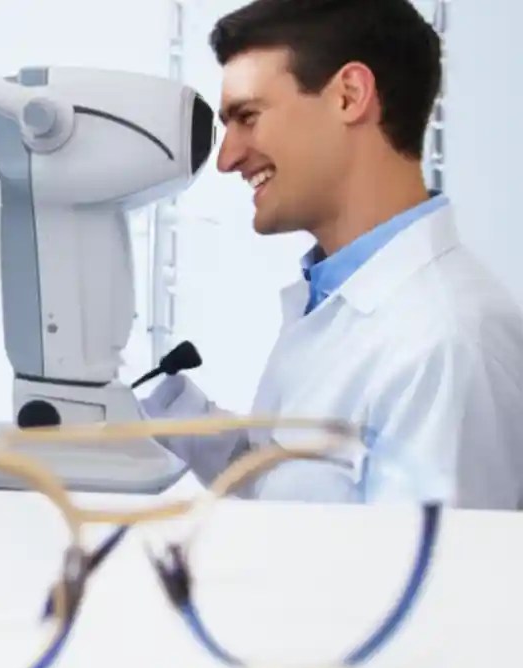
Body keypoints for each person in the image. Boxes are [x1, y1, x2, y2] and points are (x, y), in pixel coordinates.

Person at [143, 0, 523, 509]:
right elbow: (301, 496)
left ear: (349, 96)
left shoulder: (443, 343)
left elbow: (422, 580)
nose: (227, 157)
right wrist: (164, 414)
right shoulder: (335, 296)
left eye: (247, 117)